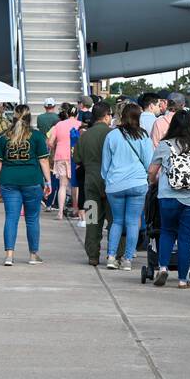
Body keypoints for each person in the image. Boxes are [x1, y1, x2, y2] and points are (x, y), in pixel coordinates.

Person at [147, 110, 190, 287]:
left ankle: (163, 268)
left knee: (167, 231)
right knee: (186, 237)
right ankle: (183, 280)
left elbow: (152, 171)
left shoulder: (165, 144)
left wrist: (153, 182)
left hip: (169, 196)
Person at [0, 105, 52, 266]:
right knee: (32, 219)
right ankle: (33, 255)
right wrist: (48, 181)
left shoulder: (4, 136)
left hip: (9, 181)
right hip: (32, 180)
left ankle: (9, 255)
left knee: (11, 218)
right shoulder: (36, 136)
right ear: (29, 118)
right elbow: (43, 160)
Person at [101, 102, 153, 270]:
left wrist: (107, 180)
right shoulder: (143, 136)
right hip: (137, 183)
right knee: (132, 222)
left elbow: (105, 165)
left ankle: (111, 256)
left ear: (122, 116)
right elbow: (149, 162)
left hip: (115, 184)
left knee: (117, 221)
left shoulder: (112, 135)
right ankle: (128, 259)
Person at [76, 101, 118, 265]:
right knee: (114, 220)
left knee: (93, 220)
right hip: (111, 183)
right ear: (107, 115)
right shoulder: (113, 134)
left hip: (91, 183)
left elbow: (77, 159)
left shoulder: (85, 135)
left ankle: (93, 255)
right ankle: (115, 253)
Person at [48, 105, 80, 221]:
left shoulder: (59, 124)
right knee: (75, 185)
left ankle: (60, 212)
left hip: (60, 156)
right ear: (77, 115)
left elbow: (50, 142)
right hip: (75, 156)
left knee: (62, 185)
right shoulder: (79, 124)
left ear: (67, 114)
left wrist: (57, 145)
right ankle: (76, 209)